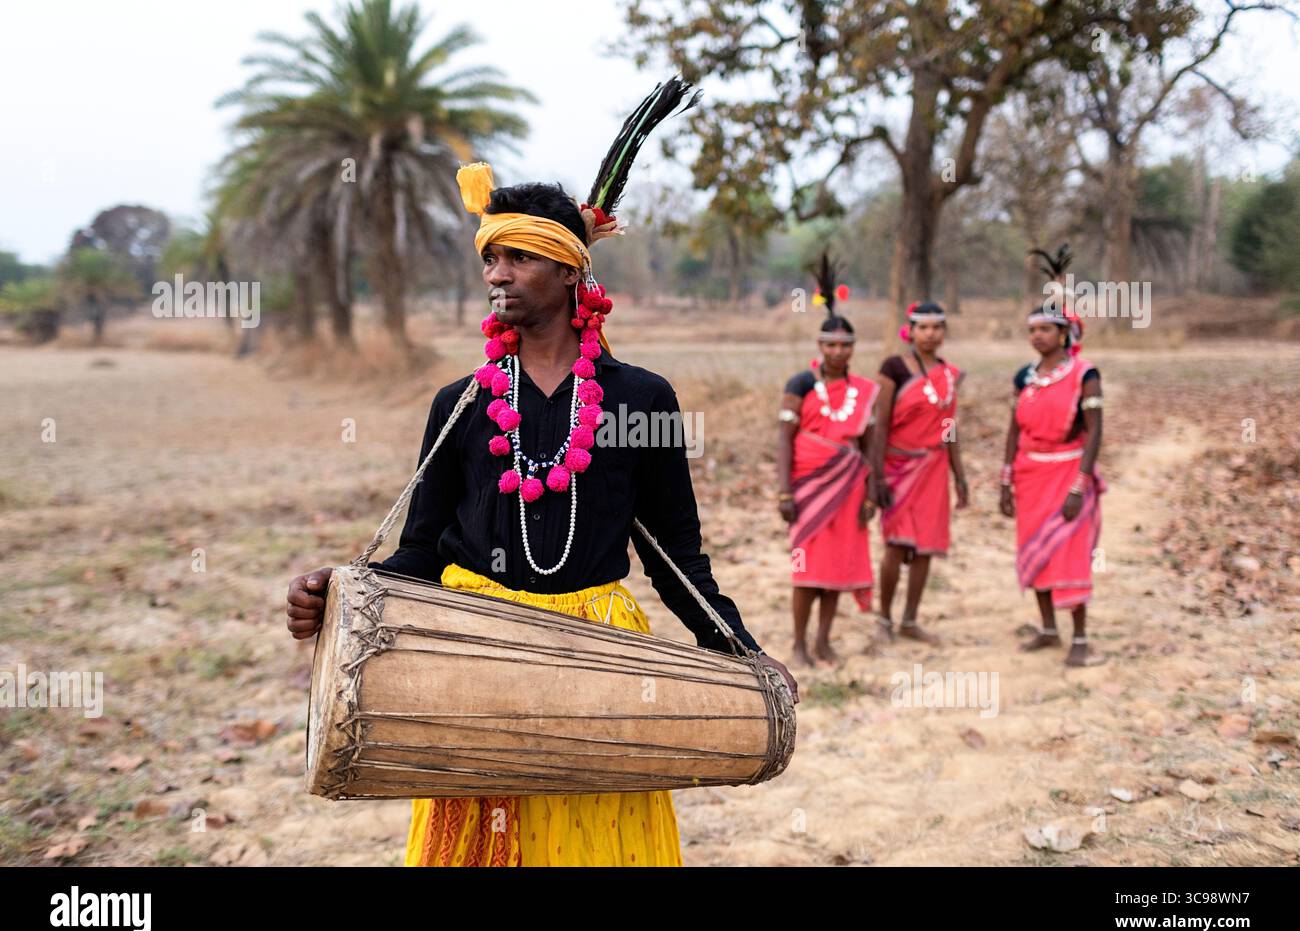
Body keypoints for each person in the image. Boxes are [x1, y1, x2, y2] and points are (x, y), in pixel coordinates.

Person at [284, 80, 797, 866]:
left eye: (518, 256)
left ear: (568, 272)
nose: (497, 272)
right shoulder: (461, 405)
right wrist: (345, 593)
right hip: (471, 650)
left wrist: (740, 652)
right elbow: (423, 551)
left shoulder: (641, 398)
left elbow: (674, 557)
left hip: (604, 658)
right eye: (490, 257)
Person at [776, 258, 879, 667]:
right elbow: (784, 438)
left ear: (853, 349)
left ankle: (824, 641)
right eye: (831, 345)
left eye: (845, 345)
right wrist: (784, 490)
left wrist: (872, 493)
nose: (838, 351)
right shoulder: (800, 384)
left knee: (836, 568)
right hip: (806, 488)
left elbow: (869, 447)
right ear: (820, 347)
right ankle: (800, 644)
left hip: (849, 490)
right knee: (806, 571)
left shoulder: (864, 390)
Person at [1000, 295, 1105, 667]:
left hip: (1067, 473)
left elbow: (1094, 433)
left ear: (1063, 333)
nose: (1037, 336)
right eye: (1032, 330)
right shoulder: (1024, 377)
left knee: (1070, 554)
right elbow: (1013, 430)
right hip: (1030, 476)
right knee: (1036, 551)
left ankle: (1079, 636)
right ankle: (1047, 629)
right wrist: (1006, 479)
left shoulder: (1084, 374)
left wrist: (1080, 485)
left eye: (1045, 329)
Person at [868, 301, 969, 645]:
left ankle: (910, 619)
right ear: (909, 331)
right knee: (896, 545)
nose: (930, 334)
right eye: (923, 327)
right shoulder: (894, 367)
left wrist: (960, 474)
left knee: (926, 547)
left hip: (935, 470)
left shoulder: (950, 374)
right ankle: (883, 617)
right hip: (897, 469)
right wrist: (876, 476)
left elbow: (949, 428)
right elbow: (880, 425)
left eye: (937, 327)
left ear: (944, 332)